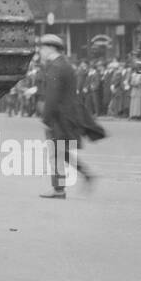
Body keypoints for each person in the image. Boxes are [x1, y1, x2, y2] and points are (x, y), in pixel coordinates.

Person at [31, 34, 103, 198]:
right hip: (67, 115)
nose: (40, 51)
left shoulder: (55, 67)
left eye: (42, 48)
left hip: (58, 116)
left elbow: (53, 96)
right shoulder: (64, 65)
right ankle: (84, 175)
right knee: (60, 152)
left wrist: (46, 118)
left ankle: (59, 189)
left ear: (51, 48)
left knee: (56, 153)